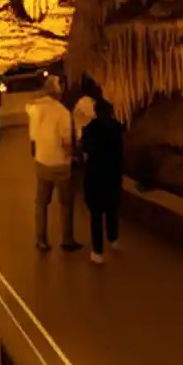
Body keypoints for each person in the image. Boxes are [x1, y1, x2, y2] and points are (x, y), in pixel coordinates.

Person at [26, 76, 82, 252]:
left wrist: (37, 154)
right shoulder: (63, 113)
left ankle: (41, 240)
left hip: (42, 161)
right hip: (60, 164)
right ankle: (67, 239)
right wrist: (73, 157)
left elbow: (33, 140)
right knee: (66, 203)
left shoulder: (35, 109)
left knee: (41, 202)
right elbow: (66, 143)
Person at [80, 98, 123, 264]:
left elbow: (86, 151)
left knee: (96, 214)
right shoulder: (116, 127)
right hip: (112, 175)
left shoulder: (90, 129)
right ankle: (113, 238)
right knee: (112, 209)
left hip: (95, 176)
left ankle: (98, 251)